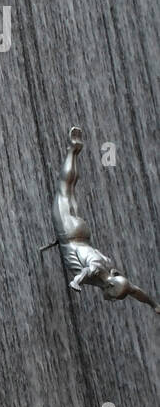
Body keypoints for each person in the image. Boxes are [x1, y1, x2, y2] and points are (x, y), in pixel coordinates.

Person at [48, 127, 160, 312]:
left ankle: (74, 151)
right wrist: (76, 282)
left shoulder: (111, 271)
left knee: (70, 190)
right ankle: (72, 149)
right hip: (68, 232)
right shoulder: (100, 271)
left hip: (80, 235)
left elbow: (135, 291)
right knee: (64, 188)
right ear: (110, 287)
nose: (111, 299)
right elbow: (88, 270)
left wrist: (153, 304)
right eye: (113, 296)